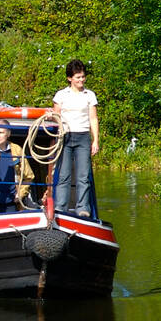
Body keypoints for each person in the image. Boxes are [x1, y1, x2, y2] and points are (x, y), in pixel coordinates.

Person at [51, 58, 99, 217]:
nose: (81, 80)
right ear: (70, 78)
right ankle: (60, 207)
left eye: (83, 77)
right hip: (65, 137)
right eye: (78, 77)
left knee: (83, 176)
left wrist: (95, 140)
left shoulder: (89, 95)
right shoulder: (61, 95)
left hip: (83, 136)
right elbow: (56, 116)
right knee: (64, 175)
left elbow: (93, 118)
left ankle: (83, 208)